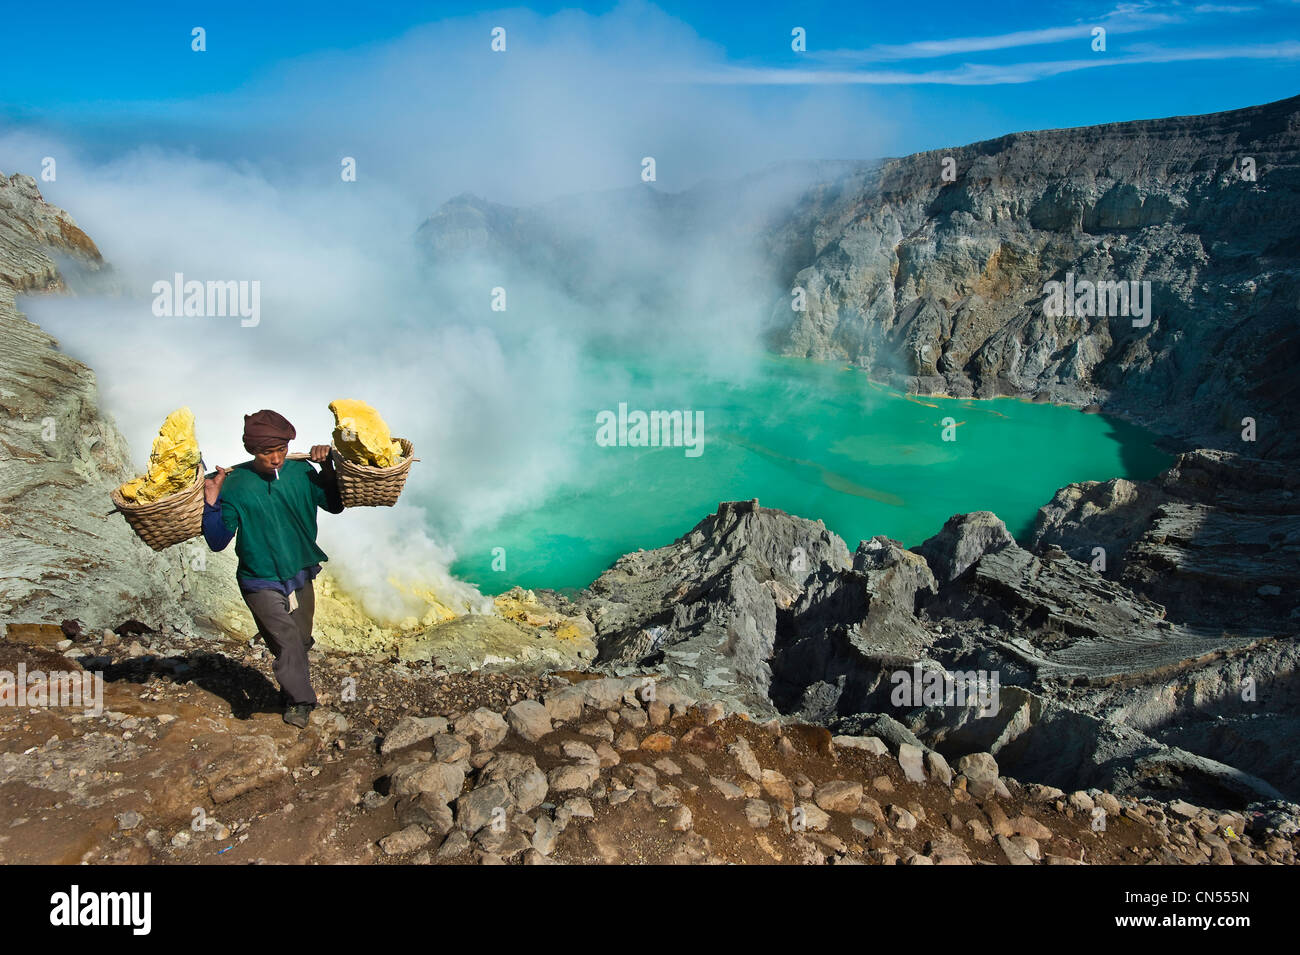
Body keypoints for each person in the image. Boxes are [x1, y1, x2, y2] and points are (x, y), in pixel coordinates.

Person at [202, 409, 344, 727]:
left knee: (301, 639)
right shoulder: (235, 485)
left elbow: (334, 505)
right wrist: (212, 500)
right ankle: (300, 702)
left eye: (281, 449)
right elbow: (217, 540)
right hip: (259, 577)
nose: (276, 458)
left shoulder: (302, 471)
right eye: (267, 452)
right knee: (288, 639)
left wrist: (327, 467)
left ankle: (289, 686)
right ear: (252, 449)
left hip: (300, 569)